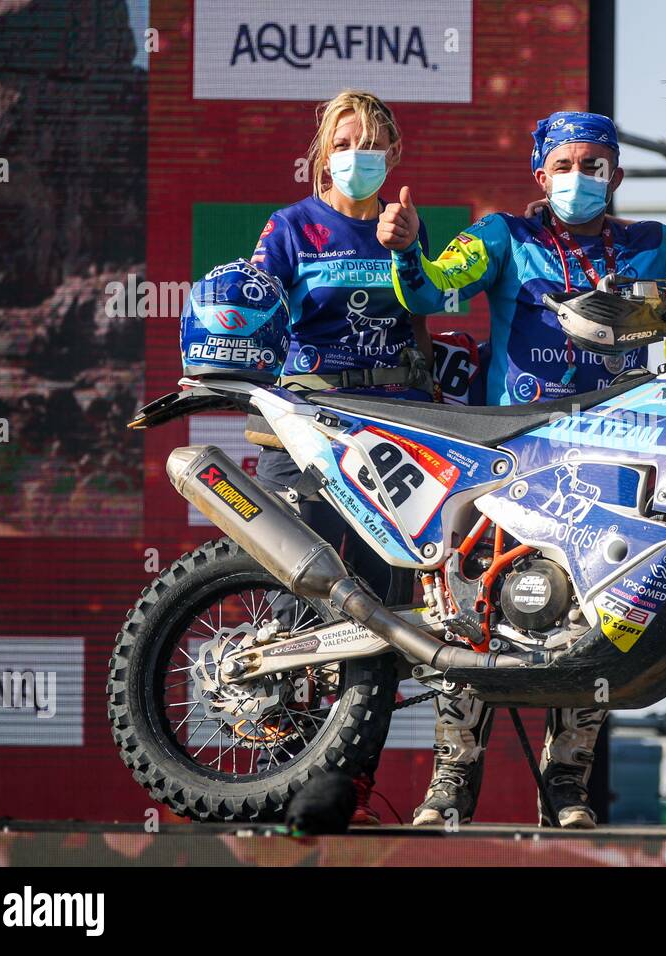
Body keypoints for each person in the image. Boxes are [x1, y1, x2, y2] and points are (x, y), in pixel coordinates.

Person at [380, 110, 666, 828]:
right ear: (540, 175)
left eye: (594, 165)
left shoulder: (655, 246)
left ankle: (567, 785)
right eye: (565, 166)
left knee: (601, 618)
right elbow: (432, 292)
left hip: (614, 459)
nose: (579, 179)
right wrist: (406, 253)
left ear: (616, 173)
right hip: (508, 456)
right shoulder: (505, 235)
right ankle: (451, 784)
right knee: (471, 614)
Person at [248, 89, 437, 825]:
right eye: (345, 142)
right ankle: (272, 774)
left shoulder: (408, 227)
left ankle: (346, 787)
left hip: (389, 433)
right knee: (291, 601)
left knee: (380, 618)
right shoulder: (292, 227)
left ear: (394, 156)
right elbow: (256, 317)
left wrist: (409, 249)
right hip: (303, 426)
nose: (358, 156)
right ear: (323, 153)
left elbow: (426, 330)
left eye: (373, 144)